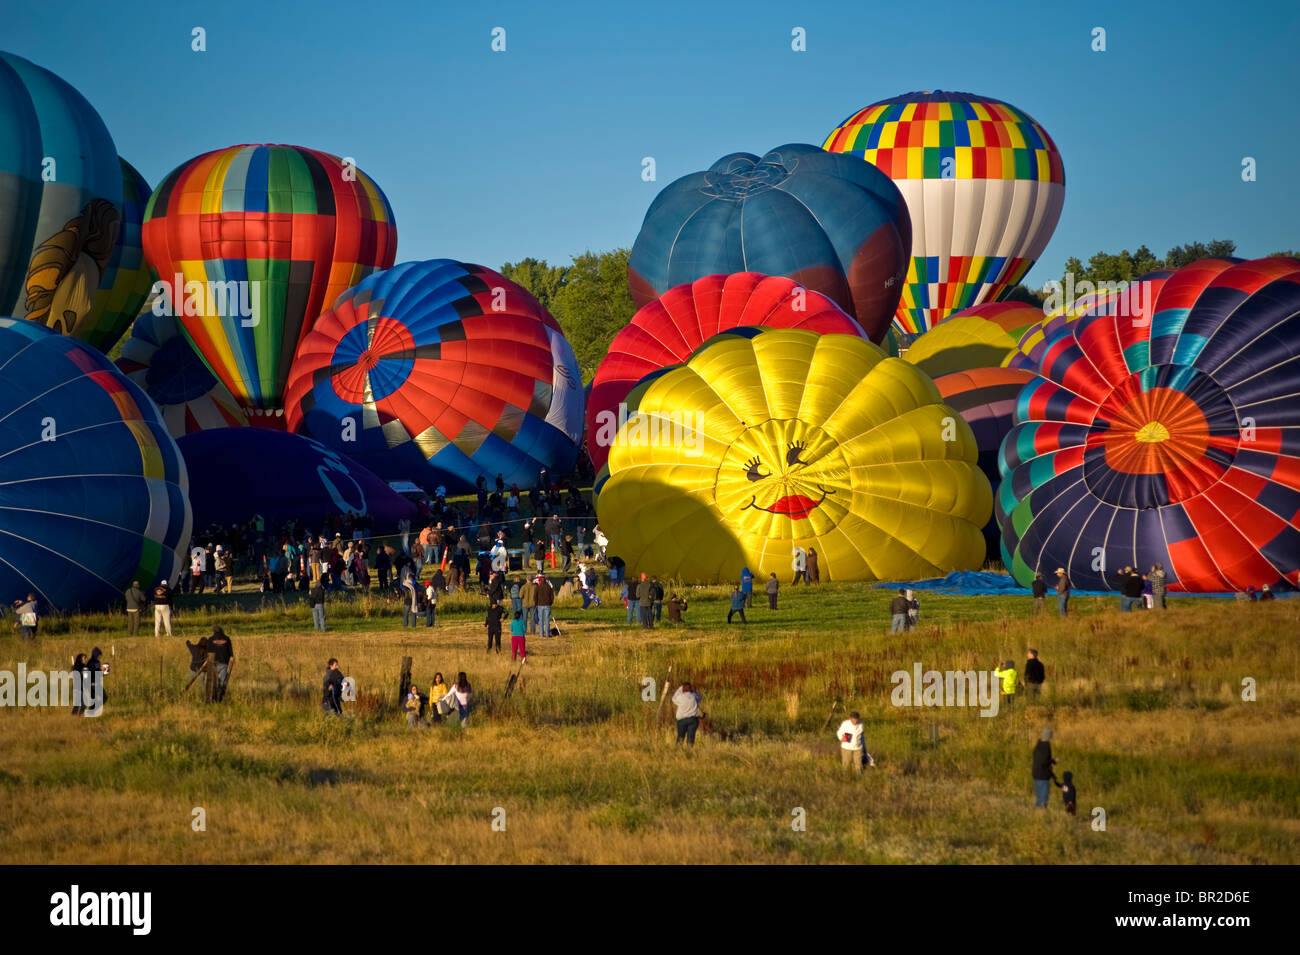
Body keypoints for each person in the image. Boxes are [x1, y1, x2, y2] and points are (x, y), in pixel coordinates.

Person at [1032, 728, 1057, 809]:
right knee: (1043, 799)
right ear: (1049, 736)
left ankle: (1037, 815)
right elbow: (1044, 762)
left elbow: (1041, 760)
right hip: (1043, 775)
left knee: (1039, 797)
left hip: (1036, 773)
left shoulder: (1038, 745)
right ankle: (1040, 815)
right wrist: (1053, 761)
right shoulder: (1046, 746)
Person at [207, 627, 234, 701]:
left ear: (214, 631)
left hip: (213, 664)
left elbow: (208, 652)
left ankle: (212, 699)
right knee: (222, 683)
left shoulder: (210, 639)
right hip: (224, 663)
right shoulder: (227, 639)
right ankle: (219, 699)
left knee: (212, 683)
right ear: (222, 631)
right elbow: (231, 654)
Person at [672, 681, 702, 746]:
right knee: (691, 738)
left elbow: (673, 698)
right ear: (690, 689)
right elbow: (700, 697)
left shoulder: (680, 697)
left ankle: (678, 752)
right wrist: (692, 690)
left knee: (680, 737)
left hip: (682, 720)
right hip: (693, 720)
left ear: (683, 689)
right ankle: (690, 751)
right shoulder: (694, 696)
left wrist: (680, 688)